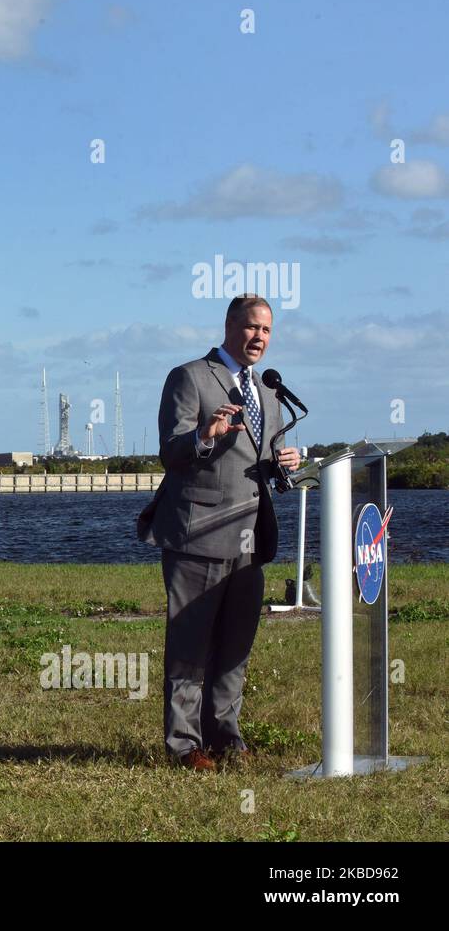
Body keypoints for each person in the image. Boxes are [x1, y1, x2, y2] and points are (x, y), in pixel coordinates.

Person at [137, 294, 301, 771]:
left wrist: (285, 464)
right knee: (189, 646)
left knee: (235, 645)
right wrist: (204, 436)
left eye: (267, 331)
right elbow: (171, 452)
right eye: (252, 327)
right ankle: (185, 746)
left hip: (250, 537)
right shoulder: (190, 377)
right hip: (198, 532)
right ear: (230, 325)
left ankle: (225, 734)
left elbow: (262, 462)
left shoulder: (269, 391)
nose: (259, 338)